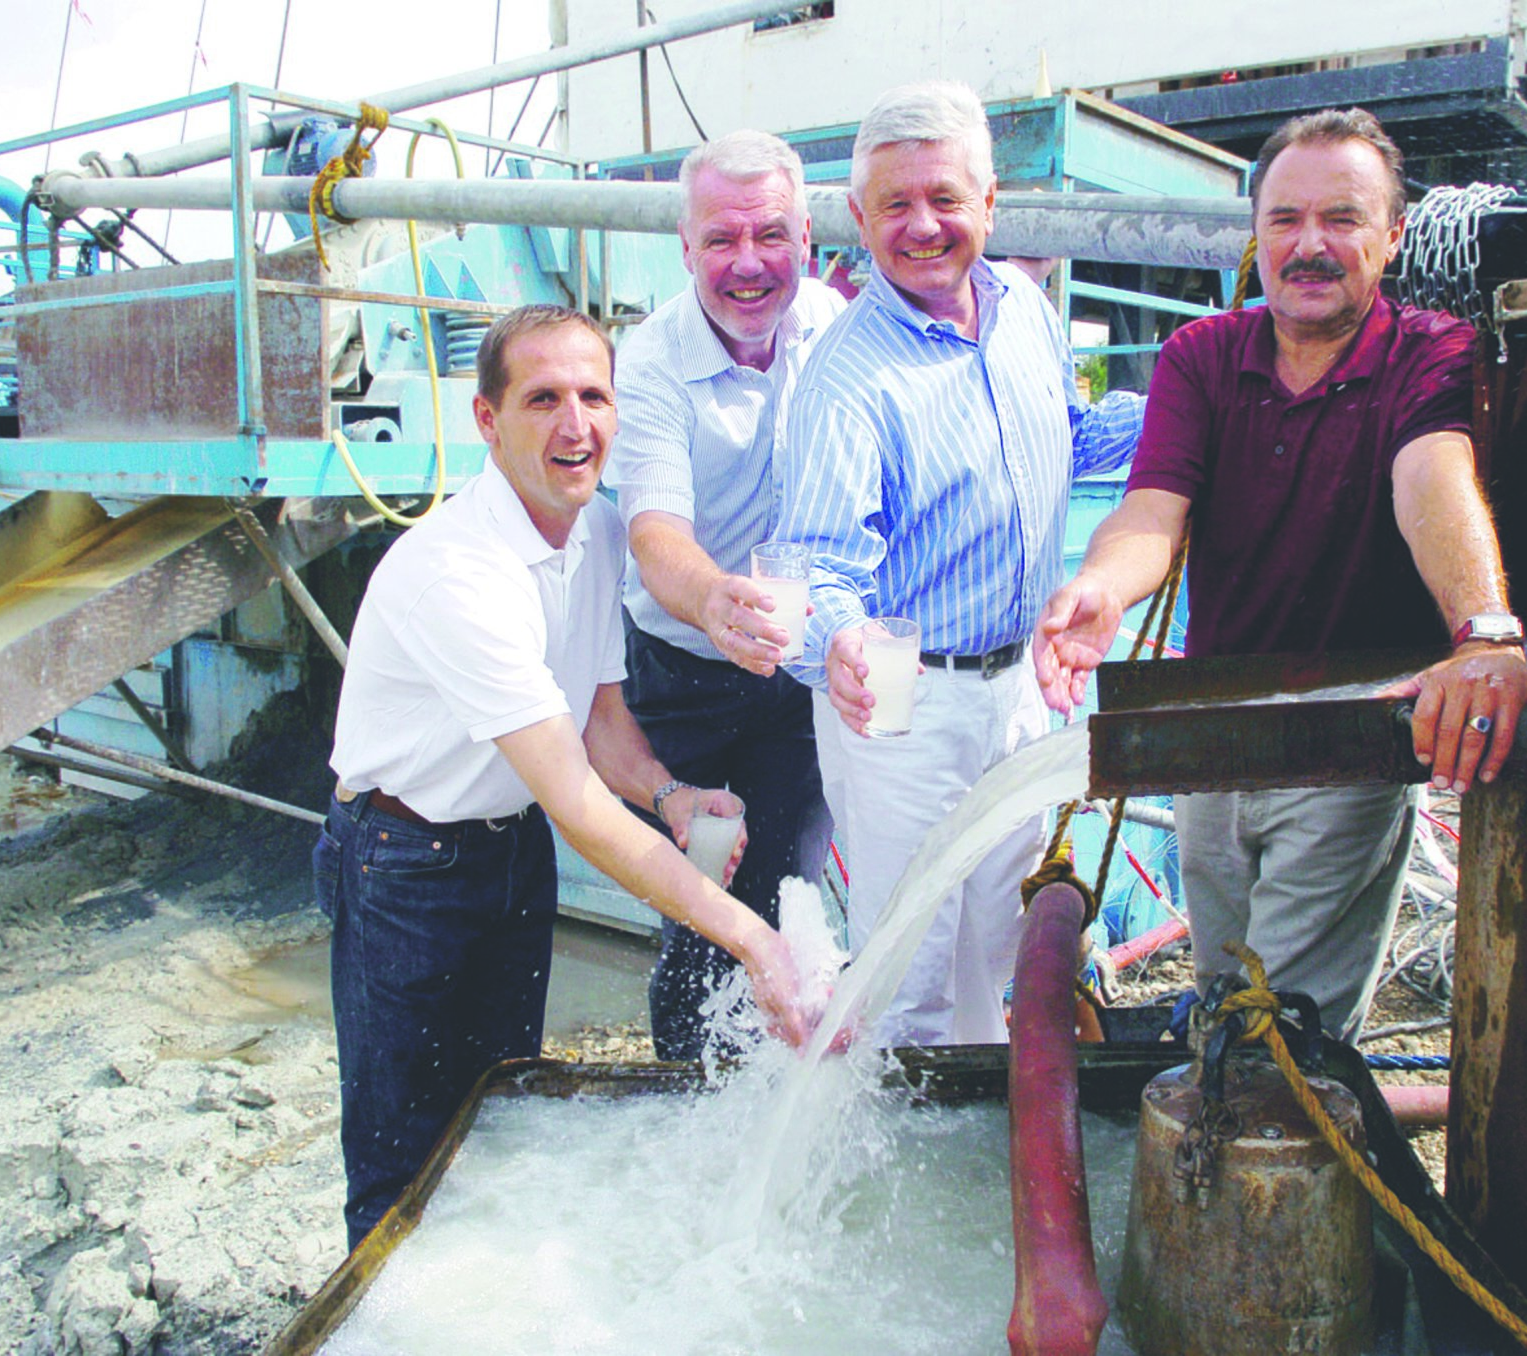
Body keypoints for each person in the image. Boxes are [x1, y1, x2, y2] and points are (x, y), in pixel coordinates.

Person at [313, 305, 811, 1249]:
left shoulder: (600, 534)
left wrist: (668, 793)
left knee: (506, 1111)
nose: (574, 424)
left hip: (510, 853)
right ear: (488, 420)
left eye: (593, 396)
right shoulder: (460, 575)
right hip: (400, 864)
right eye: (542, 399)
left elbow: (597, 719)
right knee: (402, 1156)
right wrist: (754, 939)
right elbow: (577, 800)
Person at [1033, 108, 1527, 1041]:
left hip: (1349, 742)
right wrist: (1100, 587)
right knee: (1227, 997)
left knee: (1282, 1028)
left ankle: (1269, 1151)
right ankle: (1228, 1147)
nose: (1311, 245)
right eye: (1285, 220)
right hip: (1215, 735)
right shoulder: (1202, 356)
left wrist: (1486, 629)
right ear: (1255, 236)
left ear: (1391, 237)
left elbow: (1433, 478)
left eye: (1342, 219)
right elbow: (1151, 511)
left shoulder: (1433, 352)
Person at [774, 81, 1144, 1048]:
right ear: (858, 218)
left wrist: (1194, 410)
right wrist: (841, 638)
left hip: (1019, 672)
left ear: (990, 204)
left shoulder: (1022, 305)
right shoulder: (846, 378)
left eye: (945, 199)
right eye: (894, 205)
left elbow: (1068, 436)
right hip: (901, 676)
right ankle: (916, 1174)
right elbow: (817, 565)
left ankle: (981, 1142)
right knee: (912, 962)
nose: (923, 226)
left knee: (1000, 930)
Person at [604, 131, 843, 1061]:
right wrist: (714, 602)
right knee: (701, 901)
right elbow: (655, 532)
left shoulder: (836, 328)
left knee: (788, 886)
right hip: (682, 670)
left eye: (771, 235)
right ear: (685, 248)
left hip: (795, 668)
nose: (749, 264)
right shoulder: (653, 358)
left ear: (809, 239)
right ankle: (685, 1095)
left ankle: (774, 1095)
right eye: (721, 240)